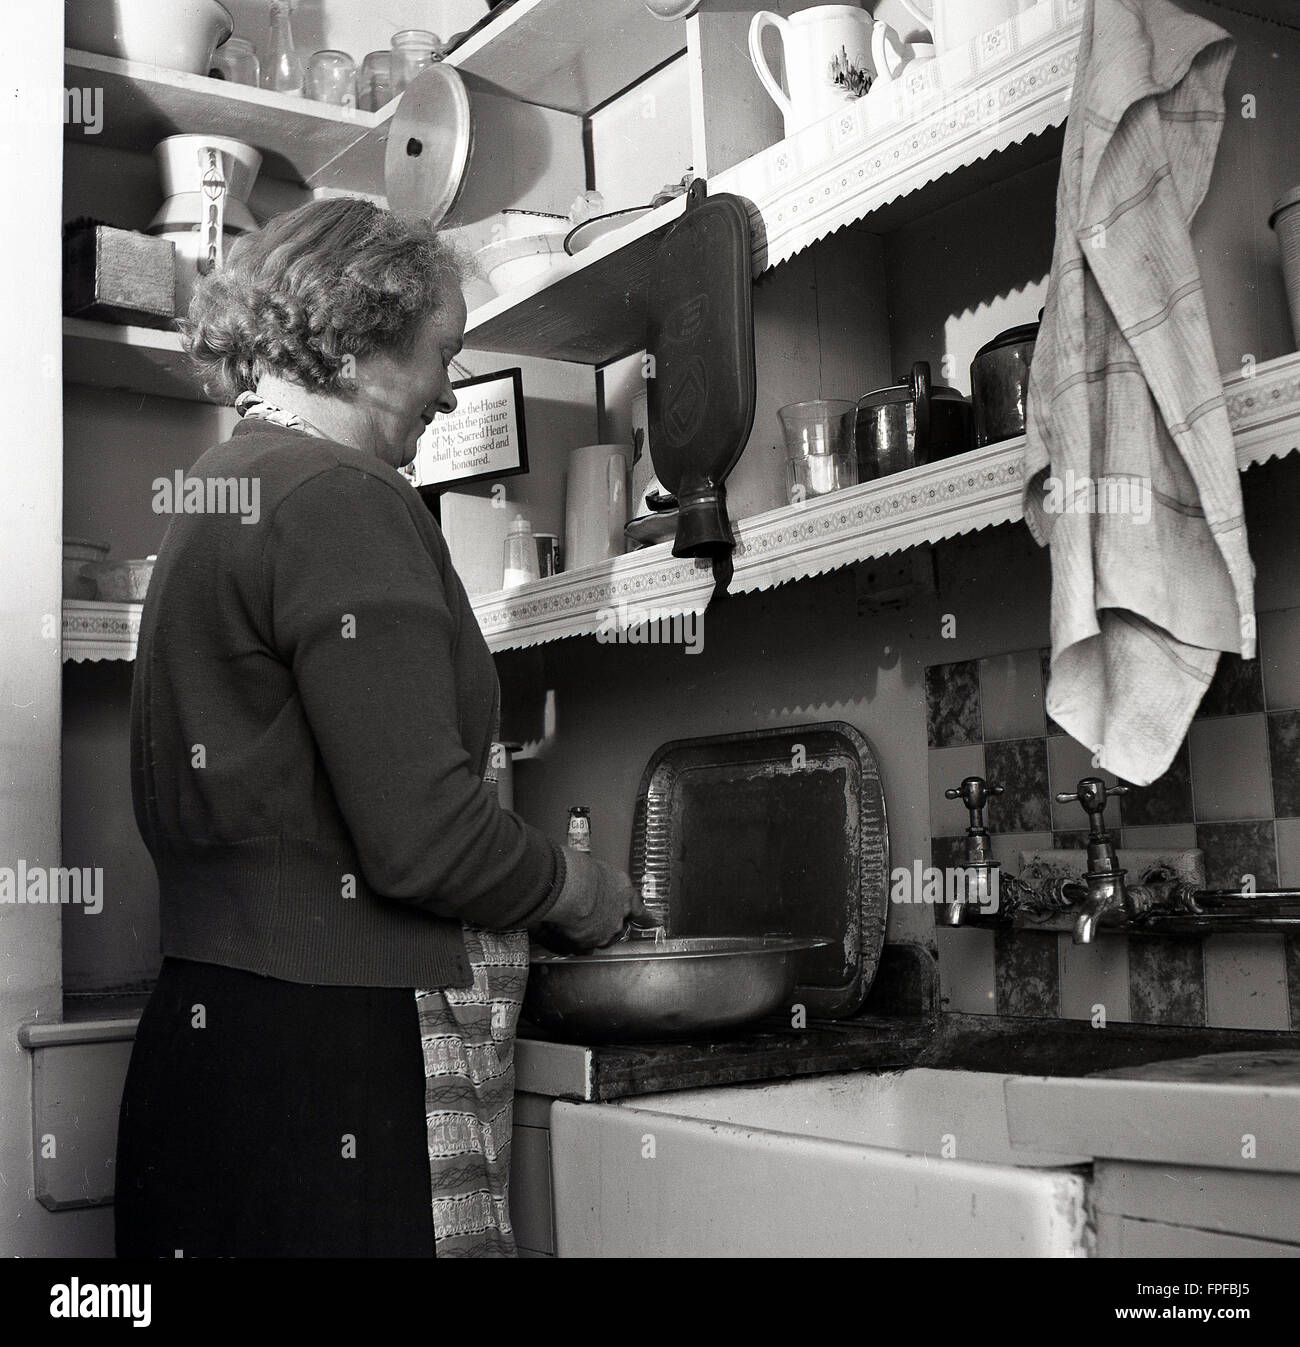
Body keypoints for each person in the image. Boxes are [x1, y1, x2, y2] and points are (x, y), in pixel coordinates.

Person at [115, 198, 644, 1259]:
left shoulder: (224, 489)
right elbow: (425, 838)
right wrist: (582, 892)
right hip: (329, 1072)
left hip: (207, 1052)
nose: (451, 392)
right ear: (362, 345)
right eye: (444, 353)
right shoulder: (342, 499)